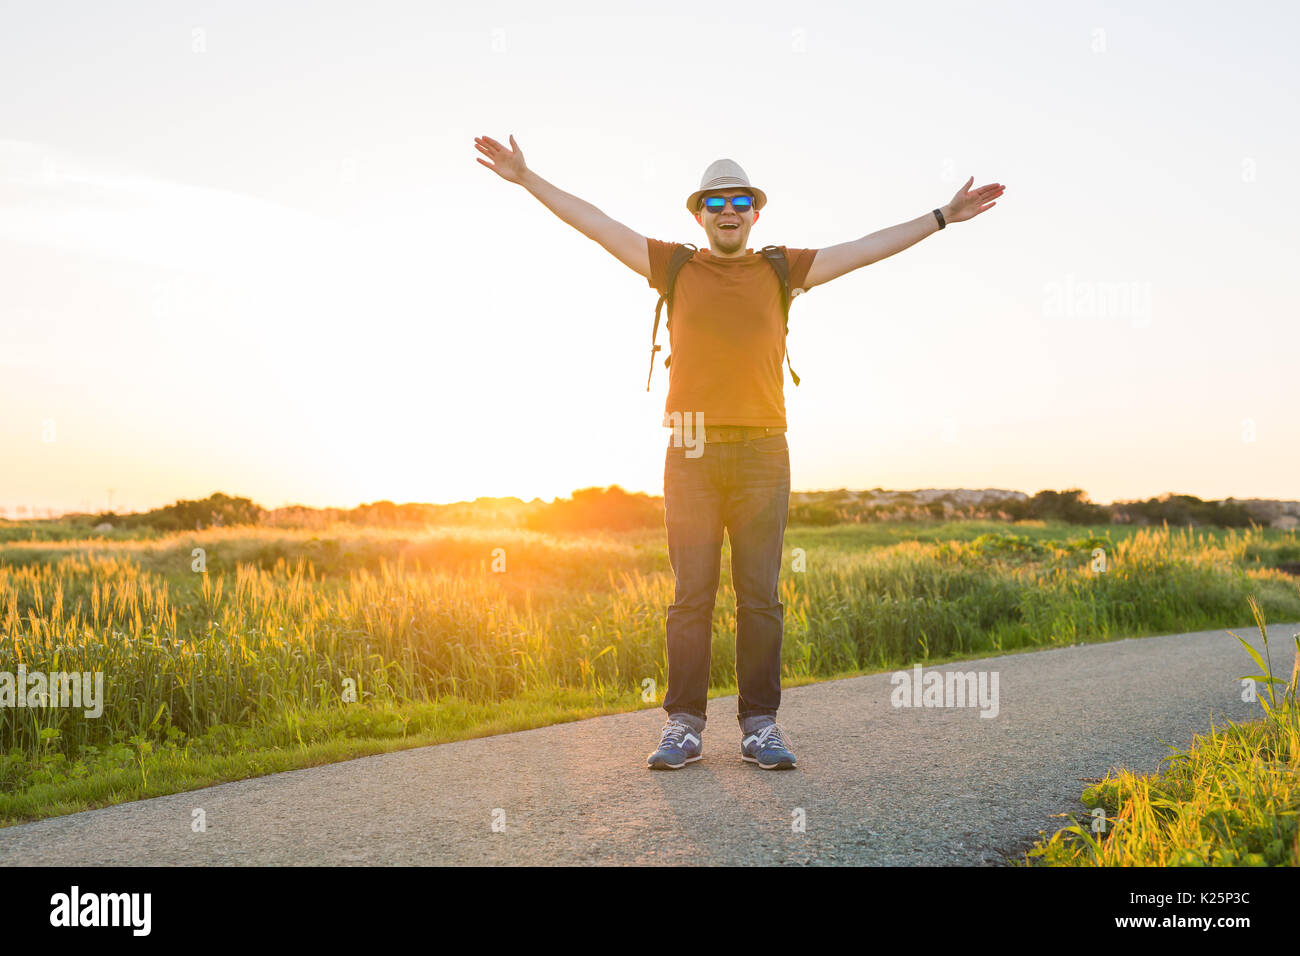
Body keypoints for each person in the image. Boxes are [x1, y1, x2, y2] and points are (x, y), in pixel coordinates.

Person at [474, 134, 1004, 771]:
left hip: (761, 450)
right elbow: (597, 223)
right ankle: (684, 725)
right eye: (716, 201)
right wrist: (528, 178)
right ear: (699, 213)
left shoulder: (782, 269)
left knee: (760, 596)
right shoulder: (673, 265)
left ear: (756, 213)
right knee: (690, 595)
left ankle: (759, 725)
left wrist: (942, 217)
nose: (730, 210)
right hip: (691, 447)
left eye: (742, 201)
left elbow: (866, 249)